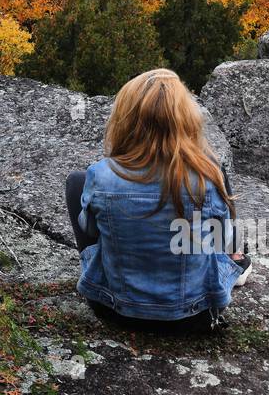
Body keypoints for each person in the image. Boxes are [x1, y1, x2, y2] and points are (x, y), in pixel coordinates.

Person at [64, 68, 250, 331]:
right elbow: (220, 239)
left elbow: (91, 230)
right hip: (194, 316)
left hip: (115, 310)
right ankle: (237, 262)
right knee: (213, 173)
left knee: (76, 182)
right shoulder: (207, 178)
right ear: (186, 119)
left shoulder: (100, 175)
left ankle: (101, 273)